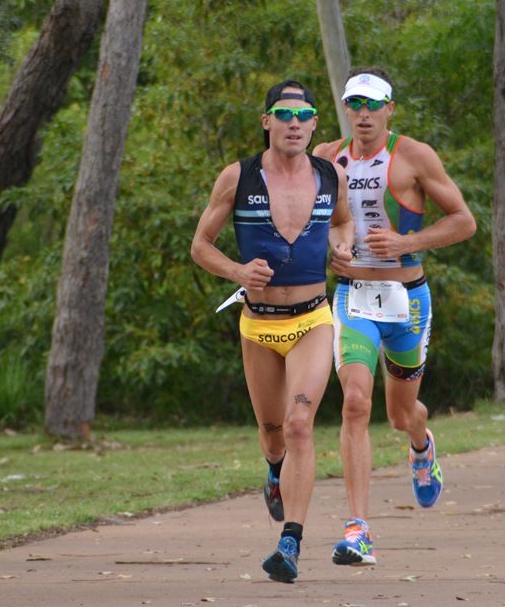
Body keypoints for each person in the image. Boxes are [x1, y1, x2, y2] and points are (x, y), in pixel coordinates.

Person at [312, 67, 477, 566]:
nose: (363, 114)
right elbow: (310, 220)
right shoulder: (325, 158)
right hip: (353, 296)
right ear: (346, 108)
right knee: (355, 404)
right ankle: (358, 530)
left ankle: (421, 446)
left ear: (389, 109)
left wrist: (407, 242)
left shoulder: (414, 156)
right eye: (354, 105)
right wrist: (331, 247)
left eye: (372, 105)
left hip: (407, 300)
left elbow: (464, 221)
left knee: (401, 414)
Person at [190, 80, 353, 583]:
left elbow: (343, 224)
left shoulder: (331, 176)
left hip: (312, 319)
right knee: (272, 431)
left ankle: (290, 543)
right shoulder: (237, 177)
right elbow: (201, 245)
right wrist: (238, 272)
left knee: (301, 422)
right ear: (267, 121)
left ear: (314, 124)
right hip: (258, 324)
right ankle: (274, 470)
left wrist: (341, 249)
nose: (294, 123)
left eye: (304, 115)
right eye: (284, 114)